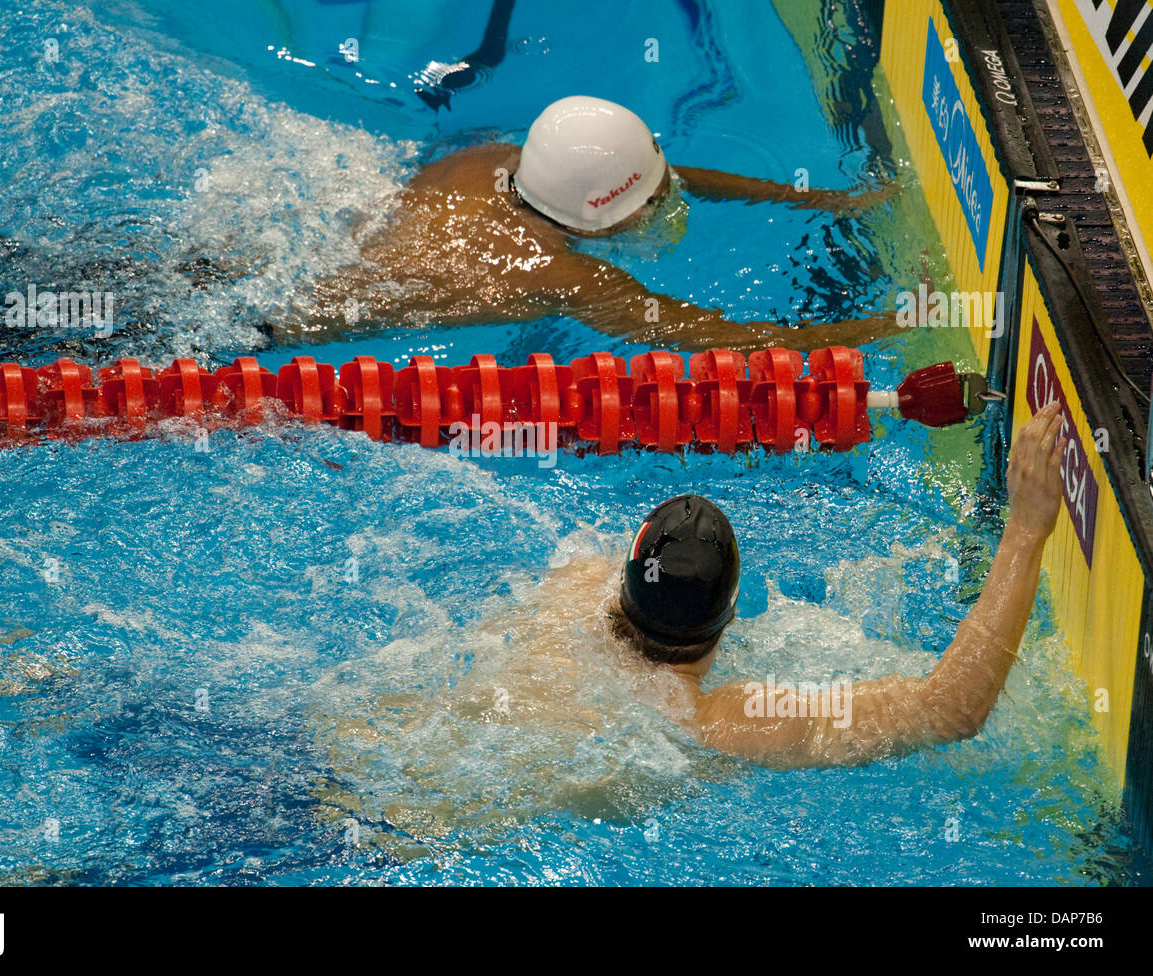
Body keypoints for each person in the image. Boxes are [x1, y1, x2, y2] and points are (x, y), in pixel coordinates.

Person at [605, 399, 1066, 767]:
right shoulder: (728, 723)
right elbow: (950, 710)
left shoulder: (572, 594)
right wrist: (1025, 529)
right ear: (730, 614)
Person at [288, 95, 898, 353]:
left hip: (292, 254)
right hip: (282, 322)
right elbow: (736, 343)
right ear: (601, 225)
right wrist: (895, 322)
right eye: (652, 206)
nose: (668, 201)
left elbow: (652, 173)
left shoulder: (496, 163)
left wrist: (823, 200)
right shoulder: (565, 276)